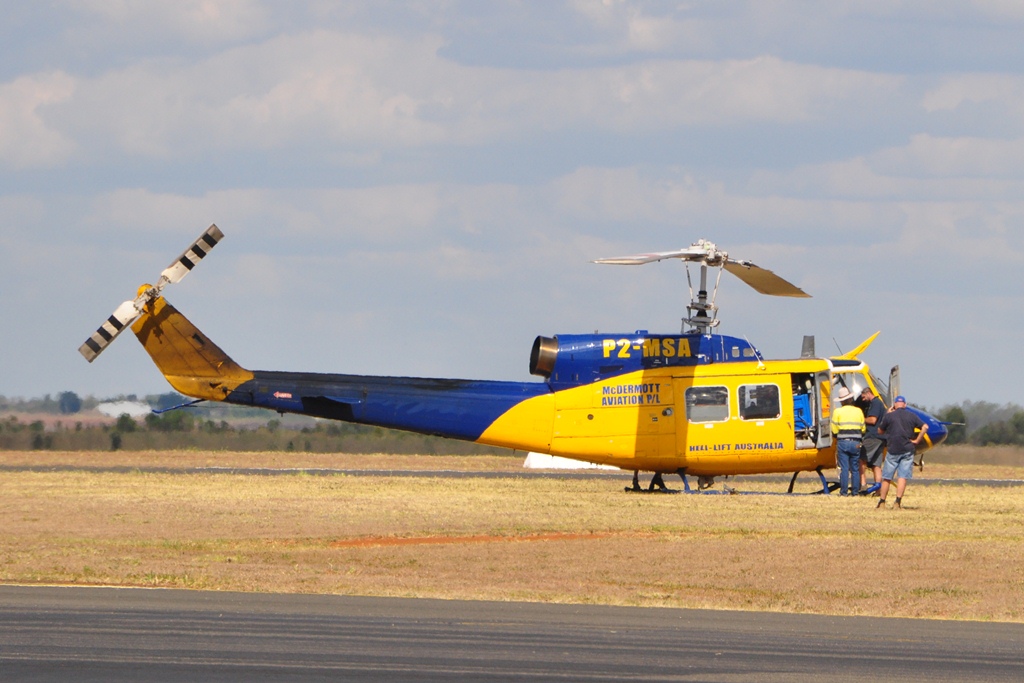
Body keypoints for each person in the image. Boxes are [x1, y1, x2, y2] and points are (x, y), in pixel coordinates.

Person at [875, 395, 928, 509]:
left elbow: (879, 431)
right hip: (907, 449)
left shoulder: (889, 416)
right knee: (902, 476)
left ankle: (882, 502)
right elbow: (925, 427)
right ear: (905, 404)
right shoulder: (911, 416)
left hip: (893, 449)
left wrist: (887, 414)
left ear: (895, 405)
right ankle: (897, 502)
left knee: (887, 477)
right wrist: (917, 440)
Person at [831, 386, 865, 496]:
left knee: (844, 468)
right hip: (856, 442)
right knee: (855, 468)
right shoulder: (858, 411)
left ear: (841, 401)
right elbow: (863, 428)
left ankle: (843, 492)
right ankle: (855, 492)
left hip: (843, 442)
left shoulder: (837, 412)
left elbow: (834, 429)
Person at [857, 386, 886, 495]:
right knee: (876, 465)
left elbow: (873, 420)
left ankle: (863, 485)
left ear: (868, 393)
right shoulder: (878, 403)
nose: (863, 399)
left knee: (861, 459)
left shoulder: (875, 403)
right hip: (881, 438)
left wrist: (860, 419)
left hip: (872, 436)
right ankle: (878, 490)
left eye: (863, 397)